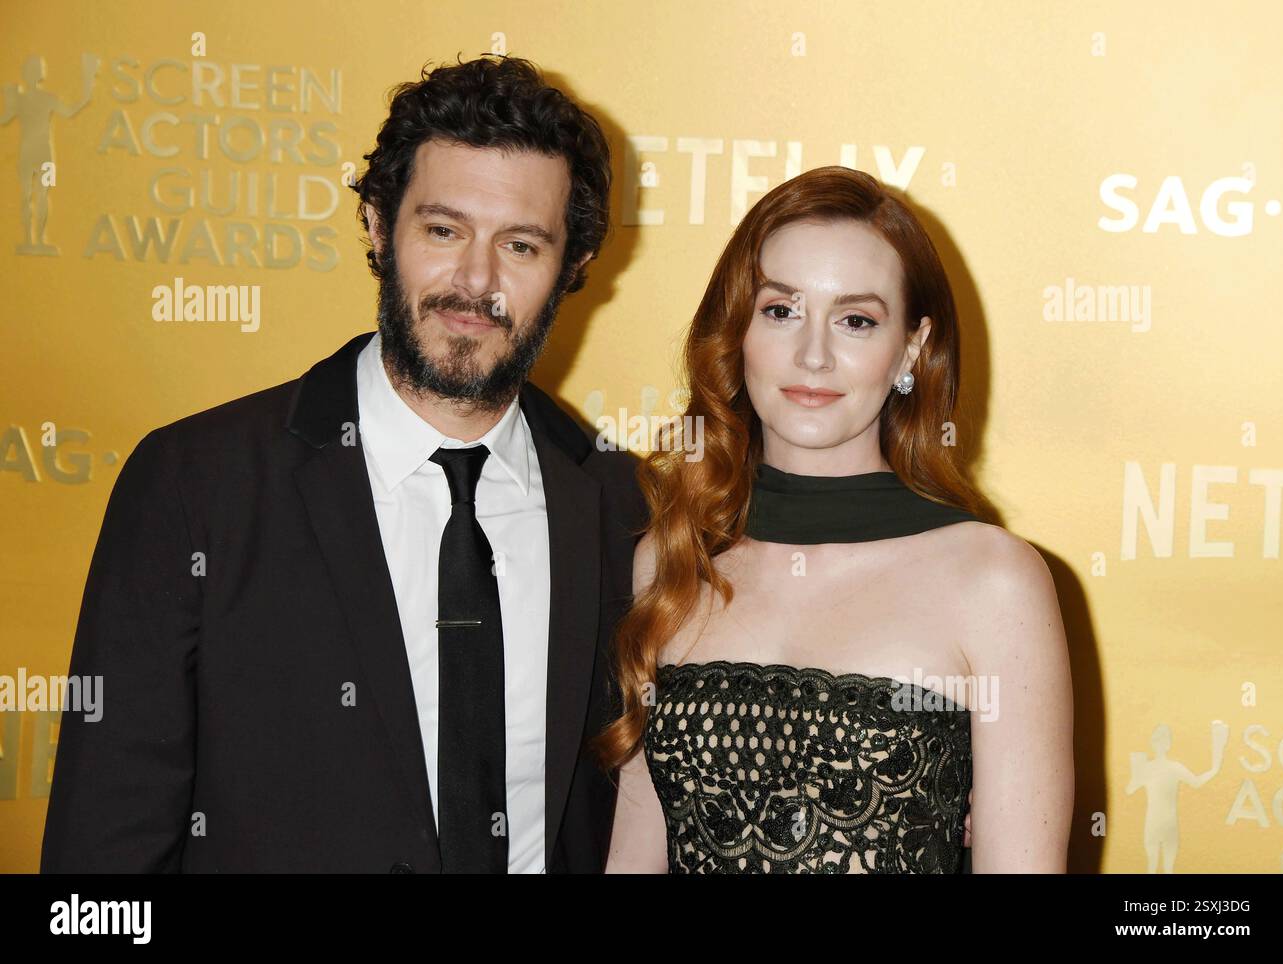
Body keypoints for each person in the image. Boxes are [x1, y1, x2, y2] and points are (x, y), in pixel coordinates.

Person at [41, 55, 645, 873]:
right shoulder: (196, 484)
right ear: (375, 224)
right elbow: (103, 851)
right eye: (443, 230)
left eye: (521, 245)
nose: (476, 280)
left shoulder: (623, 504)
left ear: (573, 265)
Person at [598, 166, 1074, 873]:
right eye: (781, 310)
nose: (813, 354)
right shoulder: (672, 560)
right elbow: (634, 858)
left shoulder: (994, 580)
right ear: (738, 331)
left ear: (910, 349)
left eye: (856, 320)